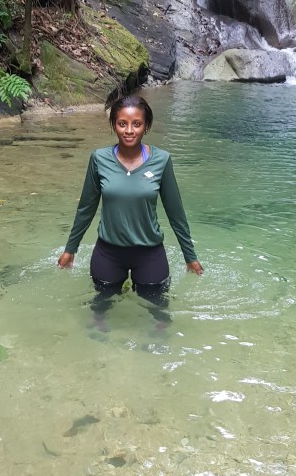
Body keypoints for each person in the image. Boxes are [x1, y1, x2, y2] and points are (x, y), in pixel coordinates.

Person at [57, 94, 203, 321]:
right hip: (108, 253)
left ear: (146, 127)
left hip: (150, 253)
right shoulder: (99, 159)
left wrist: (190, 256)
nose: (129, 130)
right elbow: (86, 208)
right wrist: (70, 249)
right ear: (114, 125)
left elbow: (176, 213)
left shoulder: (161, 160)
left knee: (159, 315)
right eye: (122, 123)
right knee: (100, 313)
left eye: (137, 124)